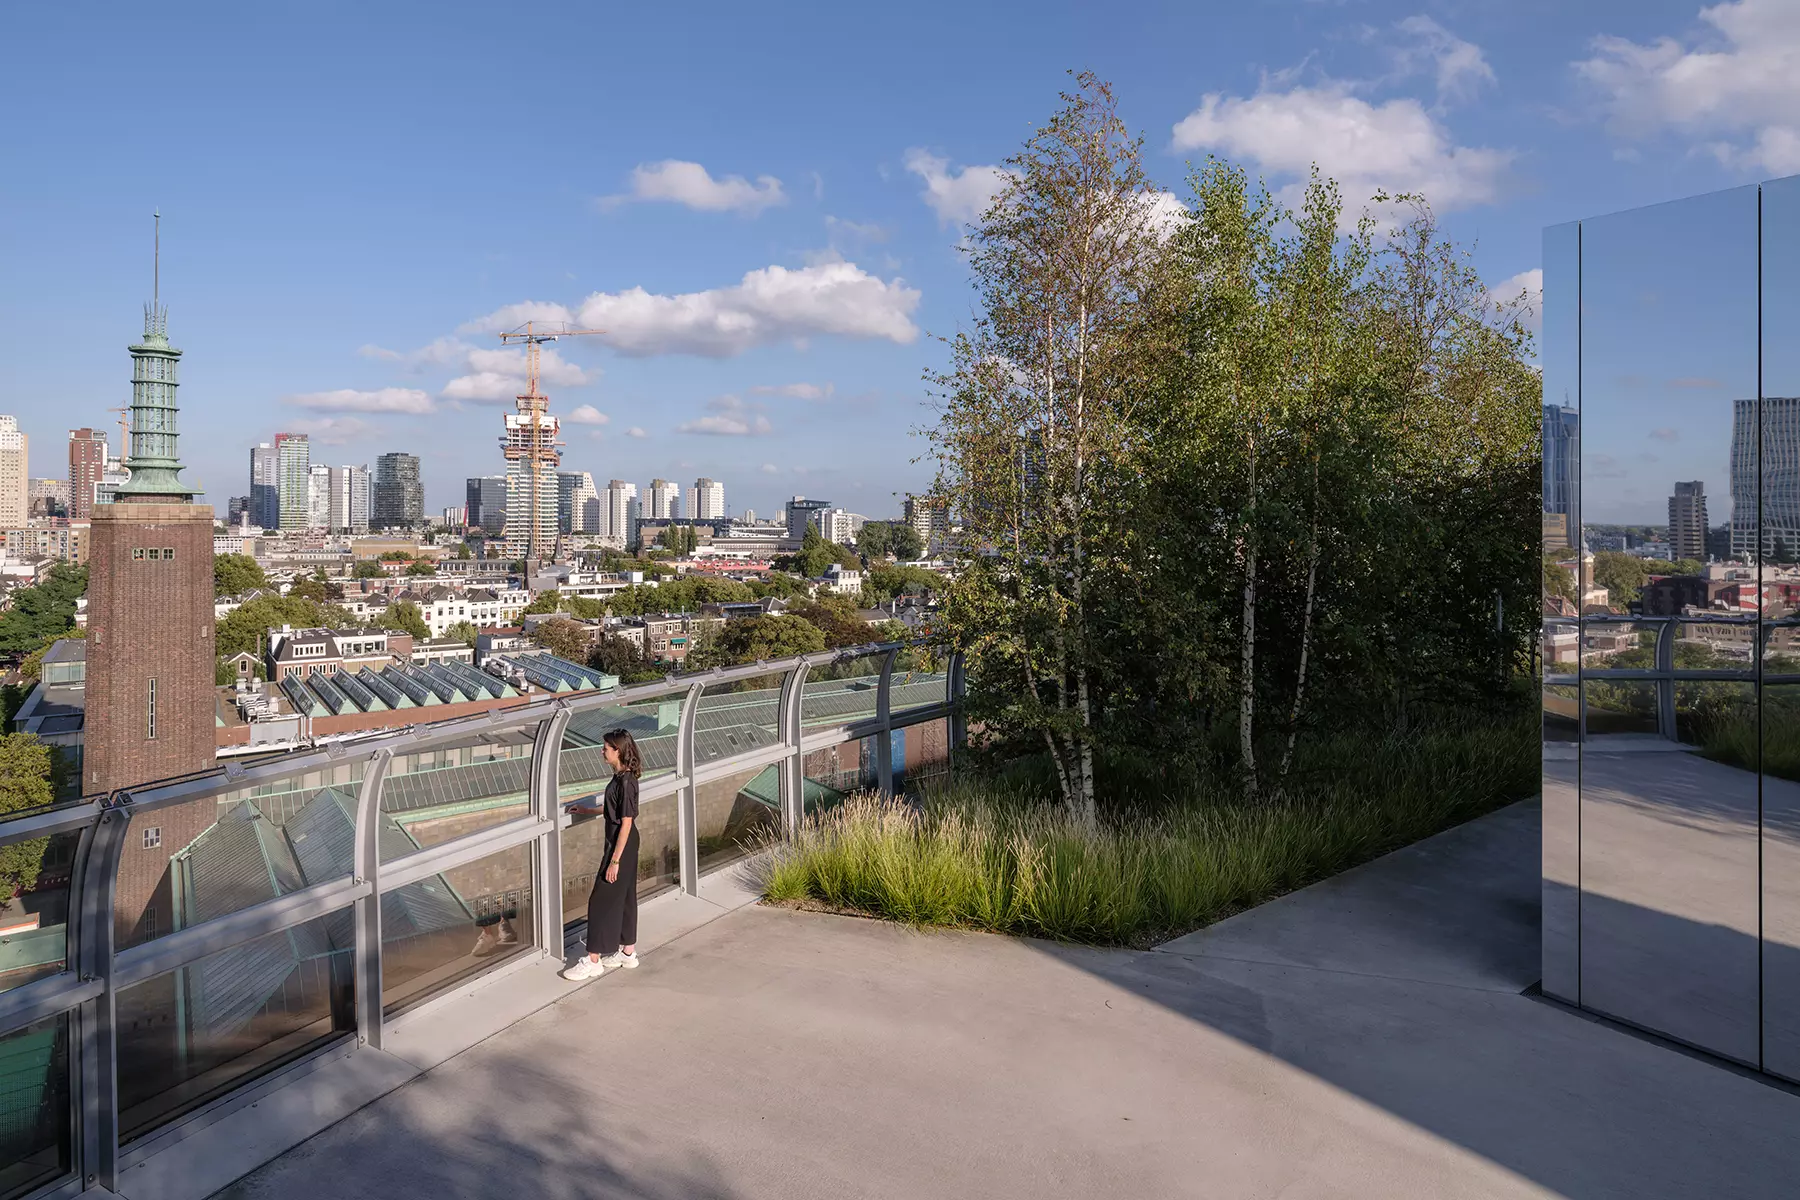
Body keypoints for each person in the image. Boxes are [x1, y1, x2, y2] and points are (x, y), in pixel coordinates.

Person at [561, 728, 643, 980]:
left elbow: (626, 822)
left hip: (622, 846)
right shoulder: (621, 778)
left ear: (617, 751)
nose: (602, 751)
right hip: (624, 843)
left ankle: (593, 959)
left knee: (599, 901)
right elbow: (614, 810)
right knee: (626, 897)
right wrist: (588, 811)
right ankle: (627, 953)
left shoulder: (627, 782)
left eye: (606, 748)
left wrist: (615, 860)